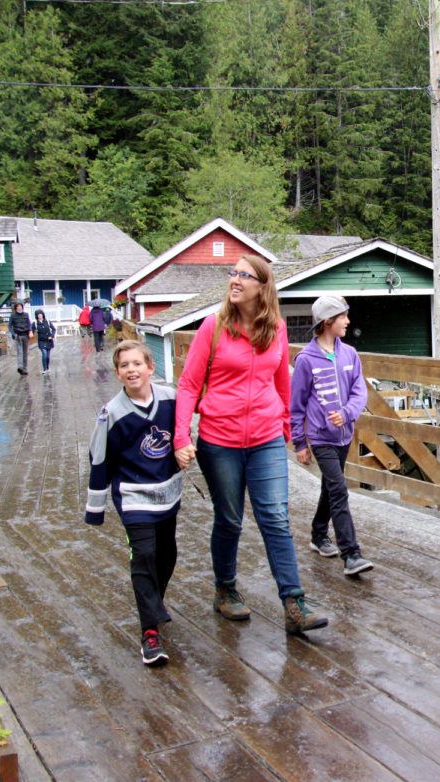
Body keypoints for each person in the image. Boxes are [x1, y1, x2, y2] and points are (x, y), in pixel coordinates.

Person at [173, 254, 328, 635]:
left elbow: (281, 384)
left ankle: (294, 603)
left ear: (263, 286)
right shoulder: (213, 326)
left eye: (244, 275)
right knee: (229, 519)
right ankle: (225, 590)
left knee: (275, 517)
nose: (235, 280)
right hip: (219, 440)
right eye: (233, 273)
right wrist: (181, 436)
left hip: (266, 439)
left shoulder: (274, 327)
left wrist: (290, 429)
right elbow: (189, 385)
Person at [86, 340, 184, 666]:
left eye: (137, 363)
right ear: (117, 373)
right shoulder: (112, 414)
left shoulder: (171, 399)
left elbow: (183, 432)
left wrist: (187, 447)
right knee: (143, 555)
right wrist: (95, 507)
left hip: (168, 492)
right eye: (124, 365)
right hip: (133, 497)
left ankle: (152, 601)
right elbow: (99, 459)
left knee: (167, 553)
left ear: (150, 367)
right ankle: (150, 633)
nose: (132, 369)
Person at [291, 296, 374, 576]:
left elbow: (359, 392)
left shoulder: (350, 354)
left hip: (344, 435)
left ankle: (317, 534)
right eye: (343, 317)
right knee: (339, 489)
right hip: (320, 437)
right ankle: (351, 554)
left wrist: (348, 413)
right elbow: (297, 405)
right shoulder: (305, 360)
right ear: (328, 321)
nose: (348, 322)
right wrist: (300, 443)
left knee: (331, 486)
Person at [9, 302, 32, 375]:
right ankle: (20, 367)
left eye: (20, 306)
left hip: (25, 335)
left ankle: (24, 369)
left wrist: (30, 331)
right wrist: (13, 334)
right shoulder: (13, 316)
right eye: (18, 306)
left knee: (25, 353)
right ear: (16, 308)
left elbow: (29, 324)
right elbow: (10, 326)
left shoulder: (26, 315)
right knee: (20, 352)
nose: (19, 307)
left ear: (22, 307)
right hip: (18, 335)